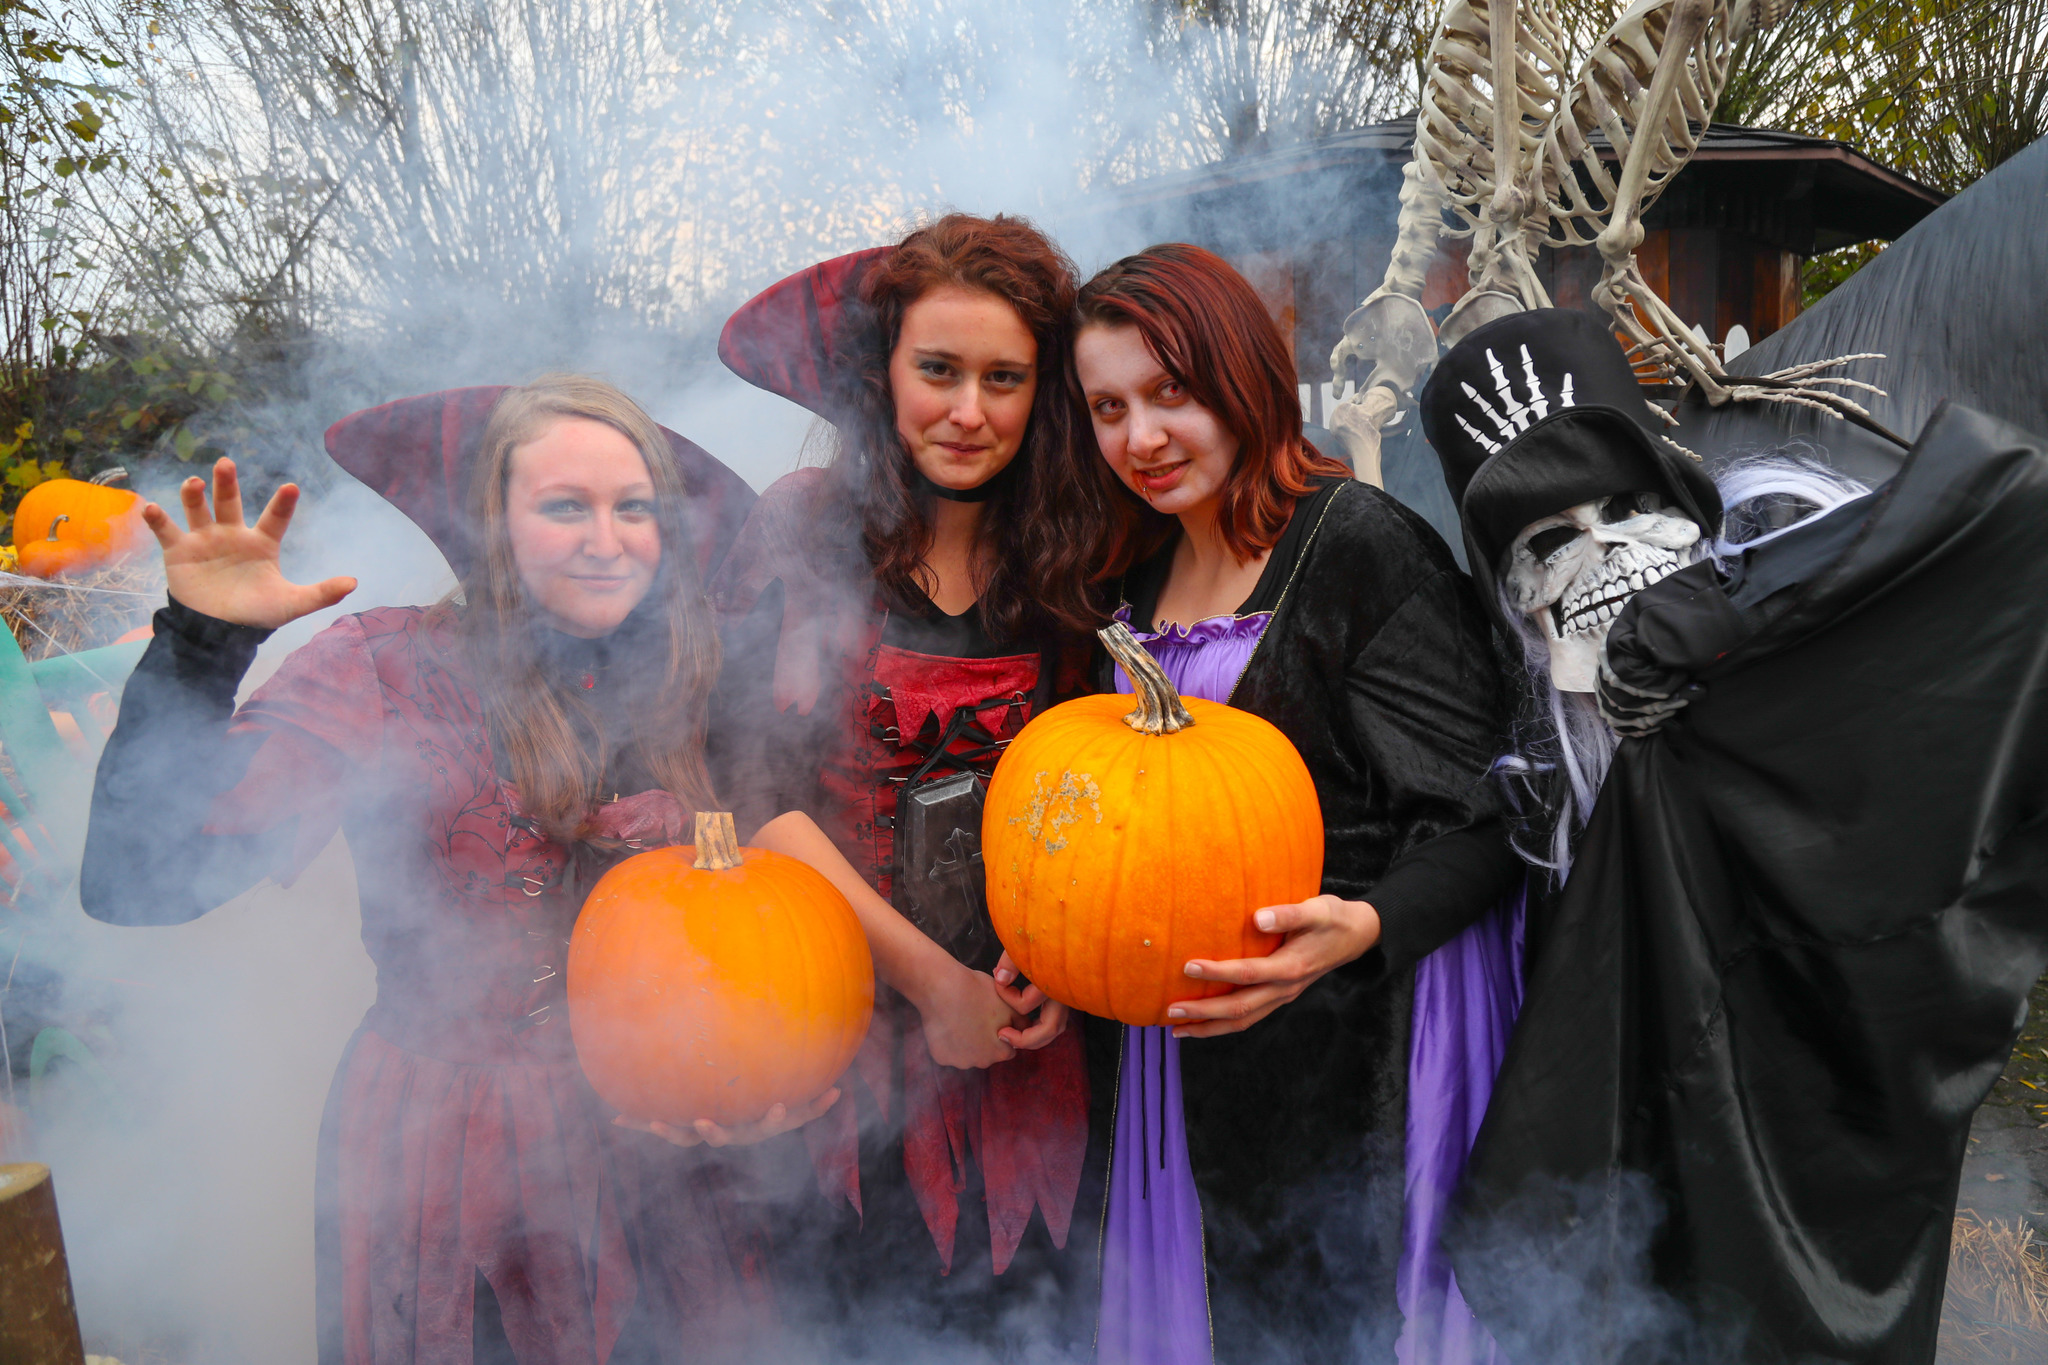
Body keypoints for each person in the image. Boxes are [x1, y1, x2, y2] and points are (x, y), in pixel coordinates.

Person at [76, 376, 925, 1364]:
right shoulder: (383, 668)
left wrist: (766, 1091)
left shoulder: (696, 680)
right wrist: (201, 641)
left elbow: (767, 936)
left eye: (633, 508)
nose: (606, 539)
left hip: (671, 1173)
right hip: (454, 1157)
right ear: (494, 525)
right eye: (564, 506)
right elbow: (139, 883)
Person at [1058, 243, 1524, 1364]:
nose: (1140, 439)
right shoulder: (1130, 583)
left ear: (1242, 373)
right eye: (1108, 407)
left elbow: (1489, 812)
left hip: (1348, 1049)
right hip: (1172, 1054)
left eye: (1169, 392)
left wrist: (1360, 928)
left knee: (1318, 1321)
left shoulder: (1356, 548)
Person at [710, 214, 1100, 1348]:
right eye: (937, 370)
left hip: (1036, 1043)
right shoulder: (800, 534)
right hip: (844, 1044)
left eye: (1002, 378)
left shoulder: (1074, 553)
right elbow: (750, 796)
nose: (967, 411)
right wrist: (935, 986)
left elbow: (1112, 799)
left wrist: (1063, 965)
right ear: (884, 376)